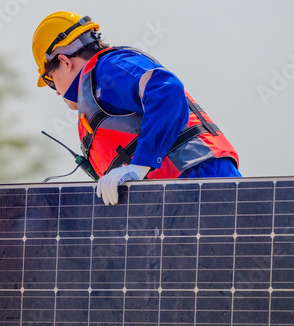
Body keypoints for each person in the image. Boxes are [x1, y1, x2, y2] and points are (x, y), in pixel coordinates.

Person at [31, 12, 241, 204]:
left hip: (198, 179)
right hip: (176, 196)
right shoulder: (97, 87)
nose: (57, 92)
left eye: (50, 81)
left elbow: (165, 89)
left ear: (65, 62)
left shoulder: (107, 69)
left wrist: (140, 164)